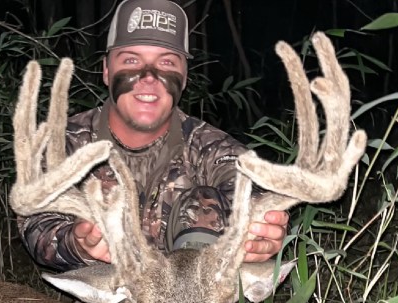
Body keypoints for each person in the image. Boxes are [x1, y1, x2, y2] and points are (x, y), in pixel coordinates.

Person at [19, 0, 288, 271]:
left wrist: (262, 228)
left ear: (183, 78)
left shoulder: (209, 146)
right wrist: (76, 243)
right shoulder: (62, 144)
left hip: (186, 299)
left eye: (166, 62)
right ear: (106, 70)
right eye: (132, 60)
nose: (149, 77)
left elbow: (246, 183)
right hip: (105, 301)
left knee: (204, 202)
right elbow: (36, 224)